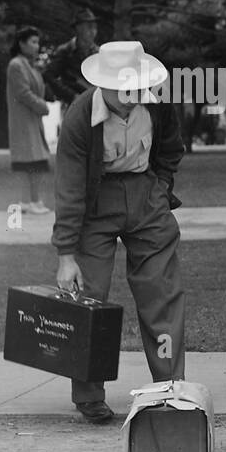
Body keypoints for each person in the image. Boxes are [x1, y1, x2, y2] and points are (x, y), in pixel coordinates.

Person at [51, 41, 187, 424]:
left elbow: (171, 149)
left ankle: (170, 387)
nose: (130, 97)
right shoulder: (80, 116)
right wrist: (65, 255)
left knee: (161, 293)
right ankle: (89, 395)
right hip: (96, 204)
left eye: (136, 87)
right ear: (101, 84)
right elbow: (70, 186)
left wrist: (159, 188)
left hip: (146, 195)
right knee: (89, 297)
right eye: (122, 89)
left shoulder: (158, 102)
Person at [7, 26, 53, 215]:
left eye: (37, 42)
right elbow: (23, 93)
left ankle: (33, 200)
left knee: (36, 161)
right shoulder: (16, 65)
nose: (37, 46)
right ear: (21, 44)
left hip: (32, 120)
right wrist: (43, 106)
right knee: (31, 161)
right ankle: (29, 201)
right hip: (23, 120)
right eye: (33, 42)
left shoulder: (29, 65)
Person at [46, 8, 100, 110]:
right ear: (78, 28)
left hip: (95, 106)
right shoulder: (65, 51)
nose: (93, 31)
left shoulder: (99, 53)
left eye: (94, 28)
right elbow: (49, 76)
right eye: (89, 27)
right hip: (72, 107)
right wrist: (71, 96)